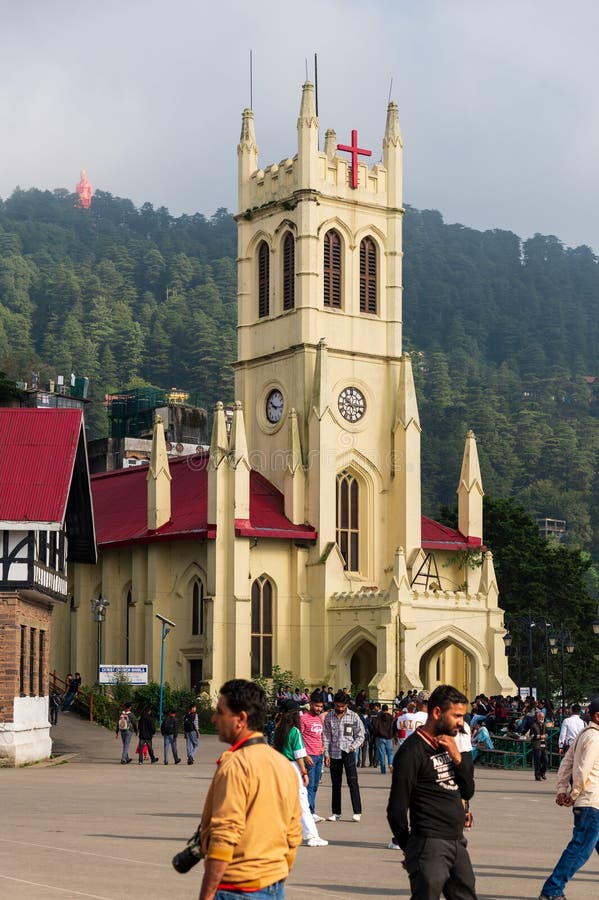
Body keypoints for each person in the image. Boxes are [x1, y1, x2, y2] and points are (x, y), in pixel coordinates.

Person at [197, 679, 302, 900]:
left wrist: (206, 895)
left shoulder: (235, 765)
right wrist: (275, 872)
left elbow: (224, 836)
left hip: (237, 889)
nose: (214, 718)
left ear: (241, 719)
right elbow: (293, 832)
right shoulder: (282, 764)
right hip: (273, 886)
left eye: (220, 712)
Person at [387, 684, 477, 900]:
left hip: (457, 841)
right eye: (456, 715)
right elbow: (396, 810)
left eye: (462, 716)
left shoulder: (449, 745)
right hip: (430, 843)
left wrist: (457, 757)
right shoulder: (411, 752)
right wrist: (412, 851)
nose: (461, 722)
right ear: (437, 713)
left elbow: (468, 790)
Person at [538, 696, 599, 900]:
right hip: (591, 802)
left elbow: (567, 763)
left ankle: (552, 889)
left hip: (591, 803)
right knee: (579, 849)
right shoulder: (595, 738)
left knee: (583, 846)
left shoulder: (584, 733)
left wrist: (562, 789)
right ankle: (552, 889)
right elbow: (582, 770)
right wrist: (572, 794)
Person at [274, 700, 328, 846]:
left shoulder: (278, 729)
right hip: (293, 767)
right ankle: (311, 835)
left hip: (281, 766)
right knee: (302, 800)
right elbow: (299, 754)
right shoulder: (295, 731)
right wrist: (304, 772)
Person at [323, 690, 365, 821]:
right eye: (338, 705)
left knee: (352, 781)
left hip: (348, 752)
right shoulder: (329, 716)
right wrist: (326, 754)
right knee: (336, 784)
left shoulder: (353, 716)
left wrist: (353, 746)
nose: (340, 708)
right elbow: (325, 736)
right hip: (334, 753)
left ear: (347, 704)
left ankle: (357, 811)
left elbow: (361, 734)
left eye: (342, 706)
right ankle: (336, 813)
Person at [299, 690, 326, 820]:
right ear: (310, 704)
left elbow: (320, 736)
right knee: (309, 786)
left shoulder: (319, 719)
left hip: (319, 756)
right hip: (309, 756)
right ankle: (309, 813)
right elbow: (299, 739)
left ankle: (312, 811)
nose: (319, 709)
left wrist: (323, 747)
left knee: (315, 786)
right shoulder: (304, 719)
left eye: (321, 706)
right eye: (316, 706)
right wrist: (305, 755)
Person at [373, 704, 395, 774]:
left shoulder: (378, 717)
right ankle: (390, 764)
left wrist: (376, 734)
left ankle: (383, 770)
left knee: (381, 754)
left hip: (380, 737)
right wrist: (393, 735)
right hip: (389, 737)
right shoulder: (391, 717)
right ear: (388, 709)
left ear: (382, 709)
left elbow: (375, 727)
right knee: (390, 753)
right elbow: (393, 727)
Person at [529, 710, 548, 781]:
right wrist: (540, 736)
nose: (541, 718)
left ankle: (542, 773)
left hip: (544, 745)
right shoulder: (533, 725)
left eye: (543, 717)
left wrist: (545, 736)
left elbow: (546, 734)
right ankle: (537, 776)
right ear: (537, 717)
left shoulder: (544, 725)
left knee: (546, 760)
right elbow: (531, 736)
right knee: (537, 761)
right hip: (536, 745)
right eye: (540, 717)